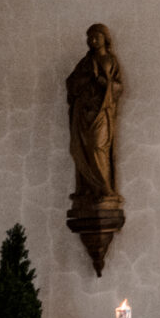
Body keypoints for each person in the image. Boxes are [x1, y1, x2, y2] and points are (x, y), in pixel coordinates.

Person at [66, 23, 124, 201]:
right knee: (82, 149)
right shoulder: (85, 62)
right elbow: (71, 83)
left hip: (101, 114)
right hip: (83, 113)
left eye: (96, 36)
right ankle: (88, 189)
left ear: (105, 38)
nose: (92, 40)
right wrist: (87, 77)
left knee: (97, 147)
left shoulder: (110, 61)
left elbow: (118, 87)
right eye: (89, 37)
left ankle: (105, 188)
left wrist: (102, 82)